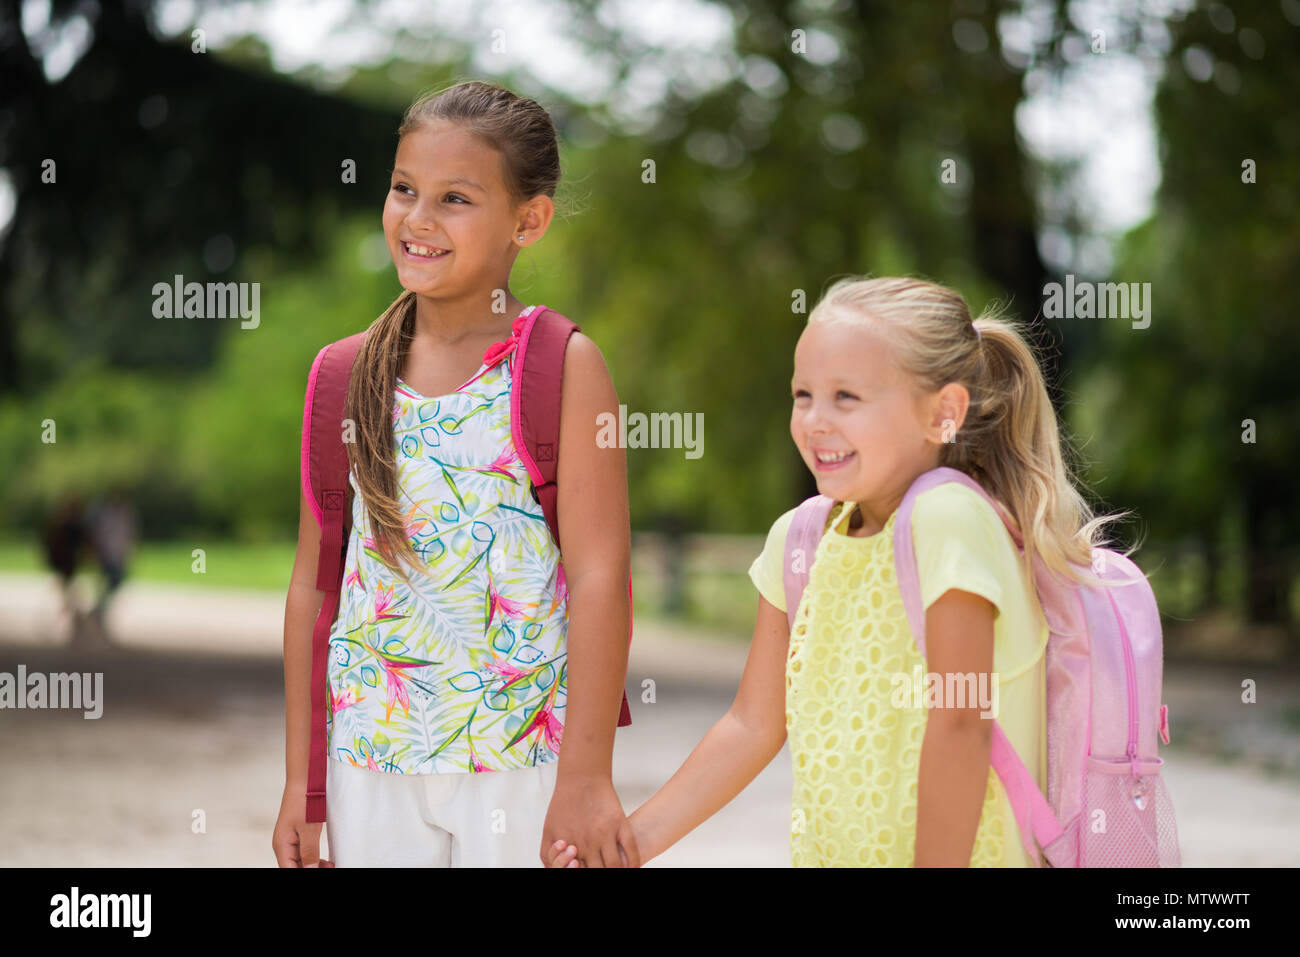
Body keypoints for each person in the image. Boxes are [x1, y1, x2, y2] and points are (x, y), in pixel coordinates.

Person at [548, 276, 1121, 867]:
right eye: (803, 395)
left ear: (943, 414)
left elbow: (960, 722)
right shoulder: (798, 541)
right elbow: (751, 725)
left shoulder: (950, 517)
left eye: (846, 397)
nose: (816, 421)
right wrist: (624, 849)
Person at [273, 81, 638, 868]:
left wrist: (586, 775)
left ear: (528, 220)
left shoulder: (560, 367)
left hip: (519, 761)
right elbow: (314, 585)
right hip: (368, 760)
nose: (419, 218)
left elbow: (603, 577)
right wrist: (306, 789)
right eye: (404, 188)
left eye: (456, 198)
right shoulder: (342, 374)